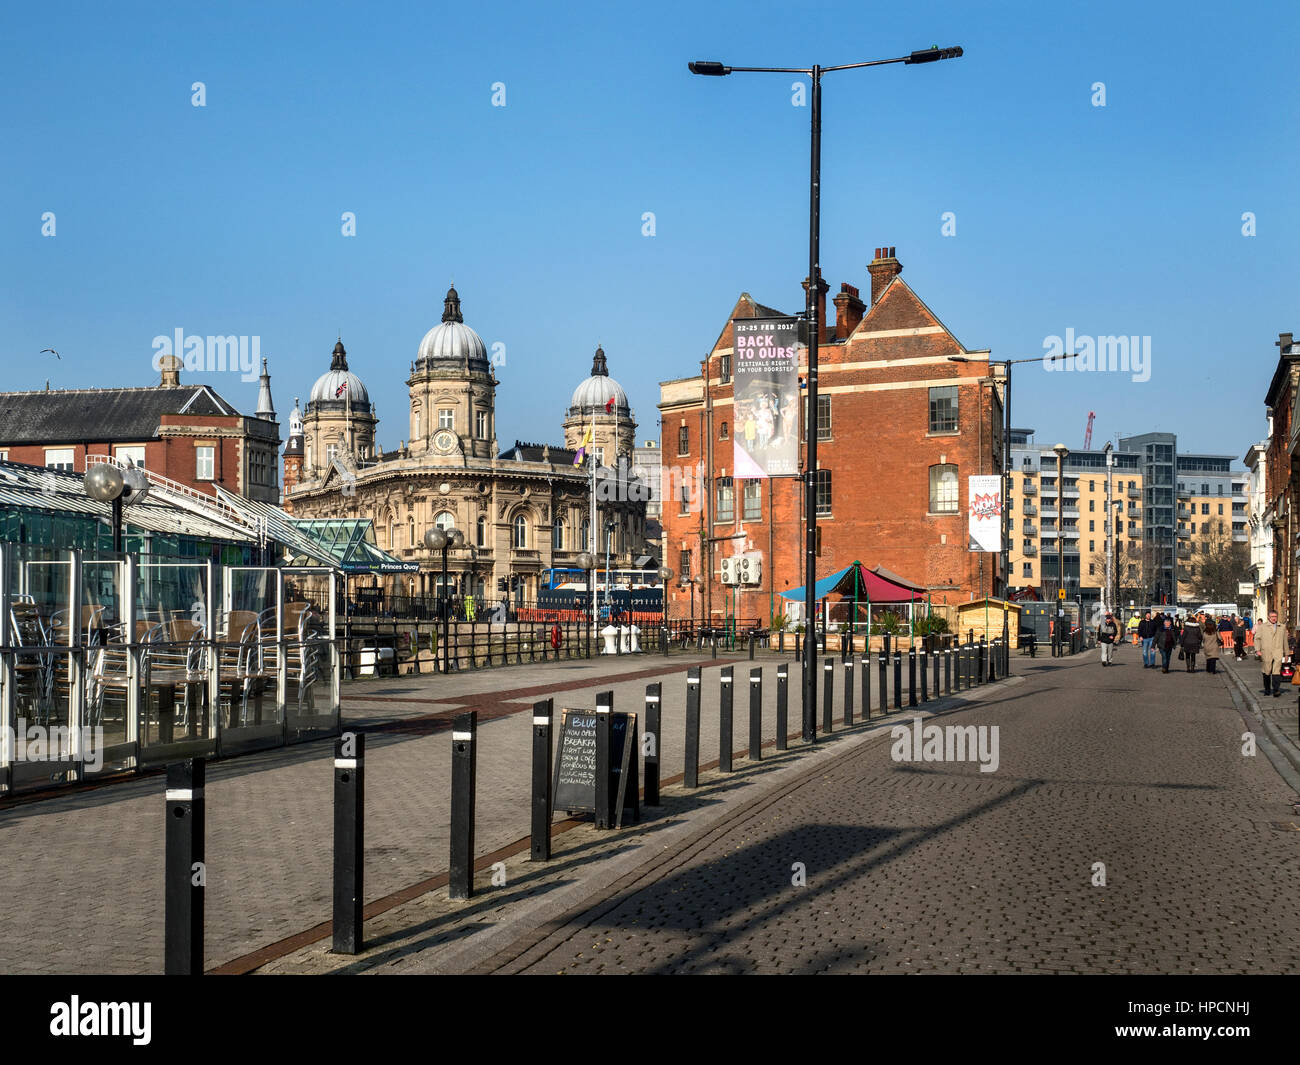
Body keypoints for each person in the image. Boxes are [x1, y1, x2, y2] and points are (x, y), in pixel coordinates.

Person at [1255, 609, 1287, 697]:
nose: (1274, 618)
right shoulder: (1262, 627)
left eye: (1275, 617)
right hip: (1266, 652)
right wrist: (1257, 650)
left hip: (1278, 651)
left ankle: (1276, 690)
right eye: (1272, 617)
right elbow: (1257, 638)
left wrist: (1287, 653)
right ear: (1268, 617)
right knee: (1267, 671)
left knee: (1276, 671)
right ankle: (1267, 689)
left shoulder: (1282, 627)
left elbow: (1285, 641)